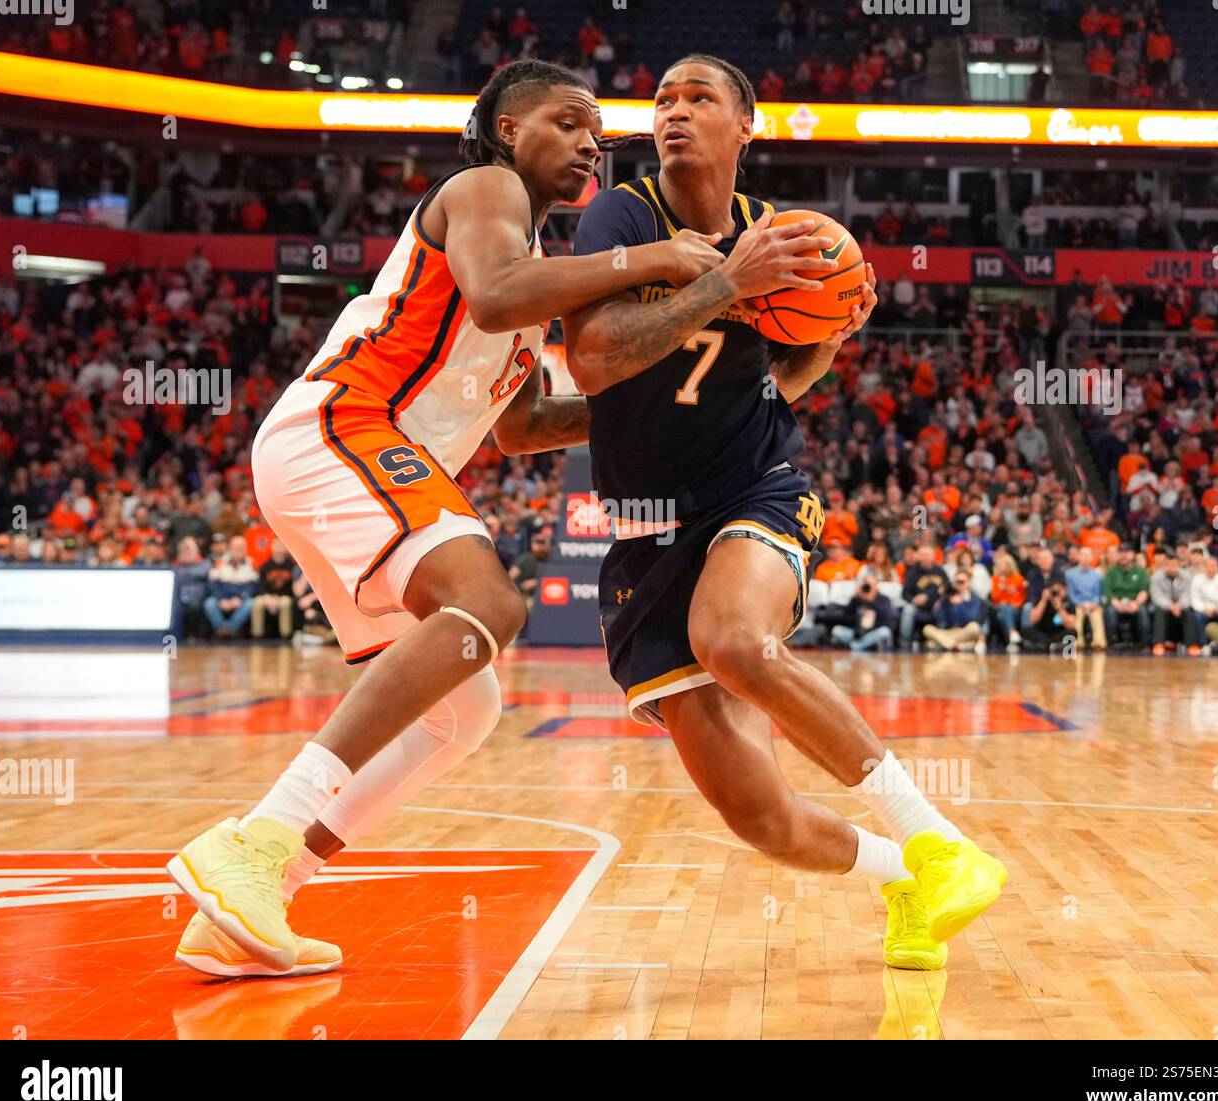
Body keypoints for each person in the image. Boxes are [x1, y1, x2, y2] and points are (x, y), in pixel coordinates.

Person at [166, 60, 725, 978]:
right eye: (568, 120)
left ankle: (256, 897)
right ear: (509, 131)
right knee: (491, 605)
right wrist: (659, 256)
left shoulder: (534, 277)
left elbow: (524, 429)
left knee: (466, 709)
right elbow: (497, 292)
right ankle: (253, 842)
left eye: (597, 128)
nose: (593, 141)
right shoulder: (484, 190)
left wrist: (658, 405)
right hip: (342, 425)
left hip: (356, 457)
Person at [564, 54, 1006, 973]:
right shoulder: (620, 215)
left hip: (755, 484)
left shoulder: (785, 233)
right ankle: (904, 879)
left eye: (700, 98)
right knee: (756, 816)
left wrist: (832, 335)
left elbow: (774, 384)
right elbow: (595, 359)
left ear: (747, 124)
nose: (674, 112)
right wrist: (728, 281)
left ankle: (936, 841)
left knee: (735, 639)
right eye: (662, 100)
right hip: (648, 531)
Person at [899, 542, 949, 649]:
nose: (925, 557)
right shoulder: (912, 572)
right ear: (918, 556)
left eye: (927, 555)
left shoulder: (940, 571)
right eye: (922, 555)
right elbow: (904, 593)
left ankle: (942, 641)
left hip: (936, 607)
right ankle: (905, 643)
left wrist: (935, 598)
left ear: (933, 556)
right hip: (919, 608)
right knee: (908, 609)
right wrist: (913, 600)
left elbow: (948, 589)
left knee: (943, 606)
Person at [923, 571, 986, 653]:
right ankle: (960, 646)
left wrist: (961, 604)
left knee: (975, 627)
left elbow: (971, 618)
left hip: (963, 631)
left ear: (968, 583)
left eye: (961, 582)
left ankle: (943, 644)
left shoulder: (975, 599)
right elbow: (940, 622)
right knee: (927, 629)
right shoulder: (947, 596)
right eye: (956, 582)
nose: (958, 585)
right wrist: (941, 600)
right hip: (948, 631)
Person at [1150, 550, 1198, 655]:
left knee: (1188, 612)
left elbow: (1188, 595)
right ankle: (1158, 643)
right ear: (1164, 565)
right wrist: (1171, 606)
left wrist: (1179, 605)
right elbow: (1157, 597)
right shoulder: (1156, 577)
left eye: (1174, 564)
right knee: (1160, 611)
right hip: (1165, 607)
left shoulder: (1187, 576)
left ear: (1179, 565)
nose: (1172, 567)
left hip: (1181, 607)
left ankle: (1192, 644)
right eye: (1168, 565)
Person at [828, 578, 896, 652]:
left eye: (871, 585)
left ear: (876, 586)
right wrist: (856, 596)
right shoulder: (857, 599)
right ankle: (861, 646)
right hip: (857, 633)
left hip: (873, 633)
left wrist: (871, 601)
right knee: (836, 630)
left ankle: (855, 646)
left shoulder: (884, 599)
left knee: (885, 632)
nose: (868, 588)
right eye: (866, 584)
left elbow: (886, 618)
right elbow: (846, 615)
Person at [1102, 545, 1151, 647]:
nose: (1124, 555)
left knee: (1143, 612)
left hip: (1135, 602)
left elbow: (1144, 591)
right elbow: (1108, 592)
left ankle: (1144, 645)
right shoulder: (1111, 572)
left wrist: (1136, 603)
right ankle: (1111, 644)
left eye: (1127, 552)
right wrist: (1117, 604)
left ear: (1133, 555)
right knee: (1110, 611)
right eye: (1121, 552)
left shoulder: (1140, 571)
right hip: (1116, 603)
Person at [1065, 545, 1107, 651]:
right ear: (1078, 557)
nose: (1086, 558)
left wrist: (1093, 603)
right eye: (1083, 555)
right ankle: (1077, 642)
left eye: (1088, 555)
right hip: (1077, 604)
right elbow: (1070, 593)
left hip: (1093, 604)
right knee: (1077, 613)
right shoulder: (1070, 574)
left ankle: (1099, 643)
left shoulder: (1097, 575)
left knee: (1097, 613)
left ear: (1092, 558)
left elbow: (1098, 593)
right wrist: (1080, 603)